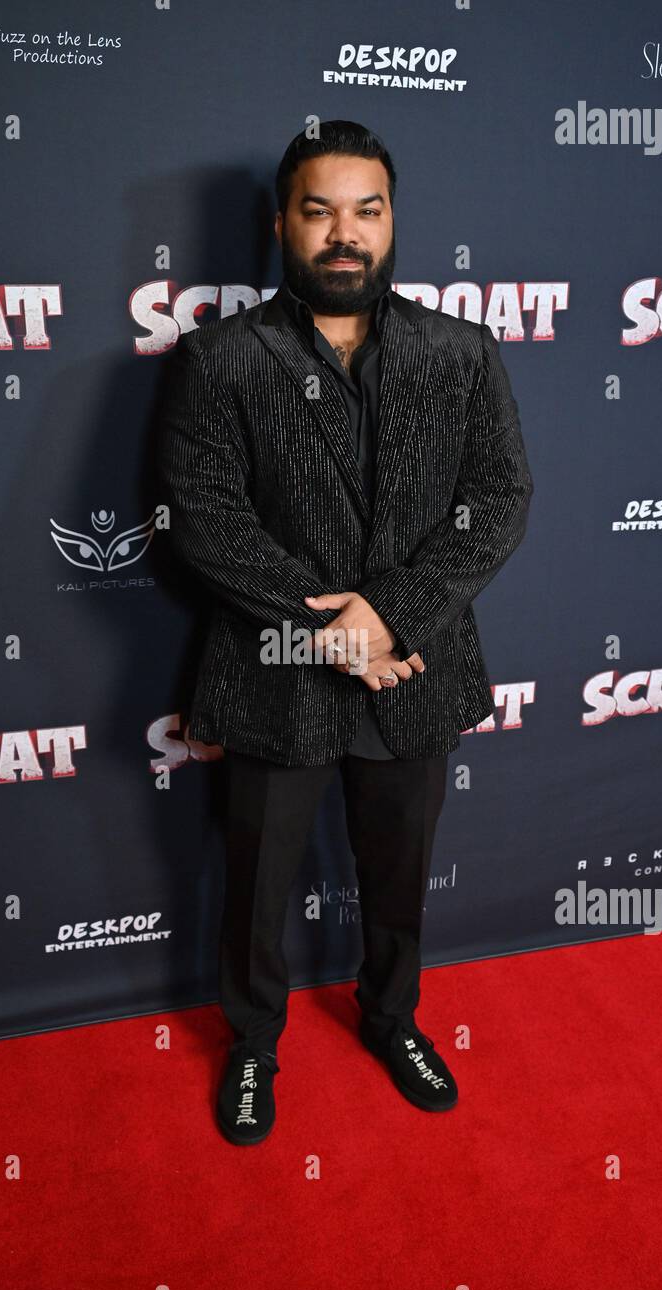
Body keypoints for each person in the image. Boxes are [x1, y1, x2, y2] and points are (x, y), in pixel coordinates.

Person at [159, 119, 533, 1144]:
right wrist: (332, 629)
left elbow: (500, 499)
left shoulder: (461, 353)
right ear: (282, 222)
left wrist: (391, 613)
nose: (344, 234)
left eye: (366, 210)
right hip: (274, 670)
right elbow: (205, 519)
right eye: (319, 210)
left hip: (416, 663)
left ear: (392, 222)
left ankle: (392, 1012)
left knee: (400, 870)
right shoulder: (220, 358)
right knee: (257, 881)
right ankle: (253, 1044)